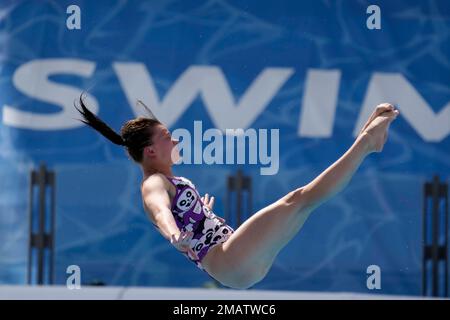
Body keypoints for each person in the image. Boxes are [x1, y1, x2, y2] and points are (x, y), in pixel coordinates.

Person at [75, 97, 399, 289]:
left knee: (304, 205)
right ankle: (366, 143)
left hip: (239, 268)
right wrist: (174, 234)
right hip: (229, 260)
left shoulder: (171, 180)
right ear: (150, 151)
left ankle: (366, 143)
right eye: (167, 136)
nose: (174, 141)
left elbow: (176, 214)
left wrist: (201, 215)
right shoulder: (153, 184)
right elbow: (159, 210)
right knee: (299, 198)